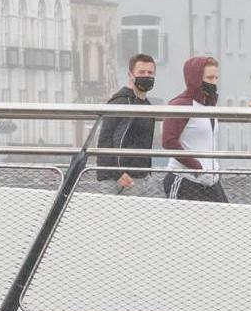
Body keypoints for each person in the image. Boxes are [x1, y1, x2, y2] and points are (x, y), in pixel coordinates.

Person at [161, 56, 228, 203]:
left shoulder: (208, 105)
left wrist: (212, 169)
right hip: (185, 179)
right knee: (186, 225)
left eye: (216, 77)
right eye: (209, 78)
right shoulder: (181, 104)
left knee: (226, 222)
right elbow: (168, 141)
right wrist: (196, 167)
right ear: (196, 78)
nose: (214, 82)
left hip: (210, 180)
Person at [95, 53, 158, 195]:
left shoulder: (148, 106)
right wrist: (118, 174)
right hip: (121, 180)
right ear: (130, 74)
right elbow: (105, 140)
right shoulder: (120, 102)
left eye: (150, 73)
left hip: (143, 177)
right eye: (141, 72)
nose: (147, 76)